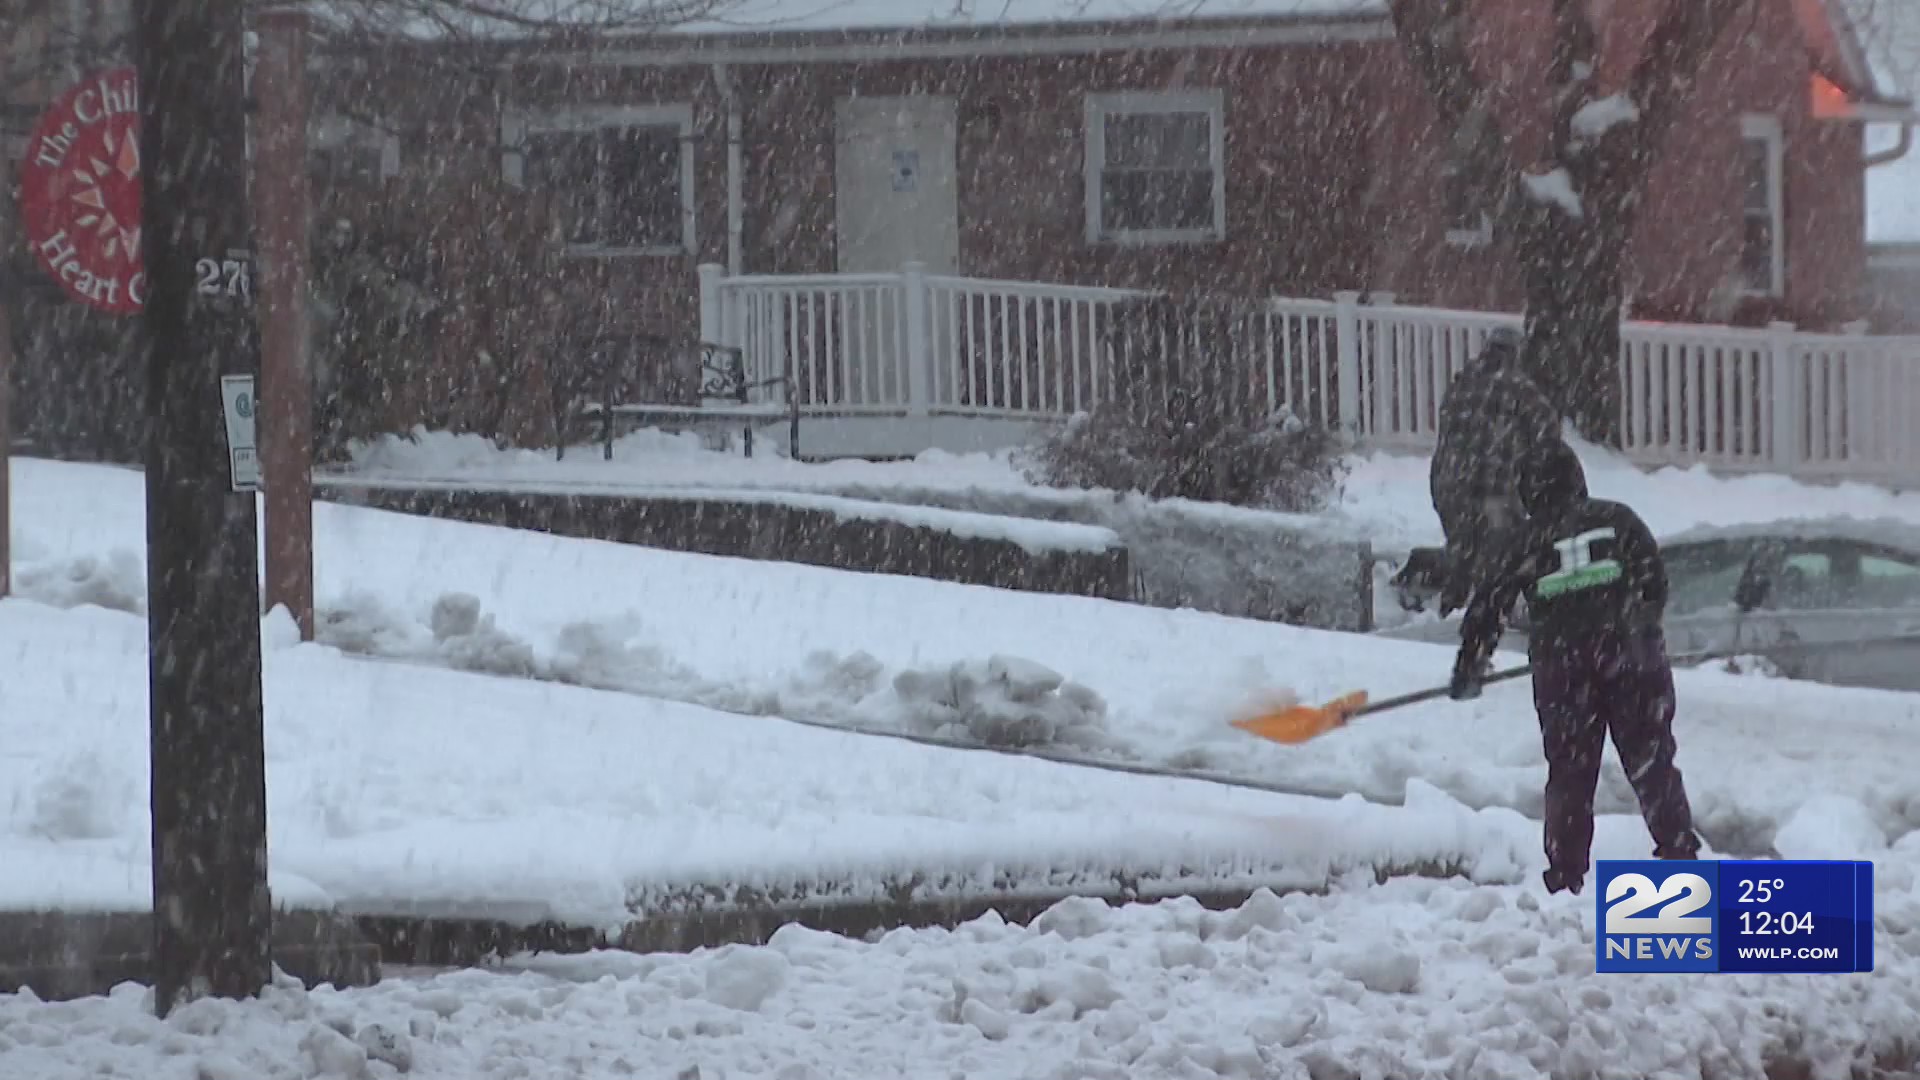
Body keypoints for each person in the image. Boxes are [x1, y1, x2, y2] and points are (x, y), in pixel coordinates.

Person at [1449, 439, 1701, 896]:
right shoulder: (1618, 520)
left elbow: (1488, 607)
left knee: (1569, 771)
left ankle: (1565, 878)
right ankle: (1679, 859)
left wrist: (1471, 665)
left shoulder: (1524, 541)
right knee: (1650, 760)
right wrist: (1635, 629)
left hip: (1563, 669)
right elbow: (1653, 582)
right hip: (1630, 658)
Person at [1429, 326, 1561, 617]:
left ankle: (1451, 614)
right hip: (1492, 491)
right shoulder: (1518, 387)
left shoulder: (1460, 383)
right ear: (1516, 353)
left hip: (1448, 485)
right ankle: (1497, 622)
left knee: (1461, 555)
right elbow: (1549, 431)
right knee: (1501, 563)